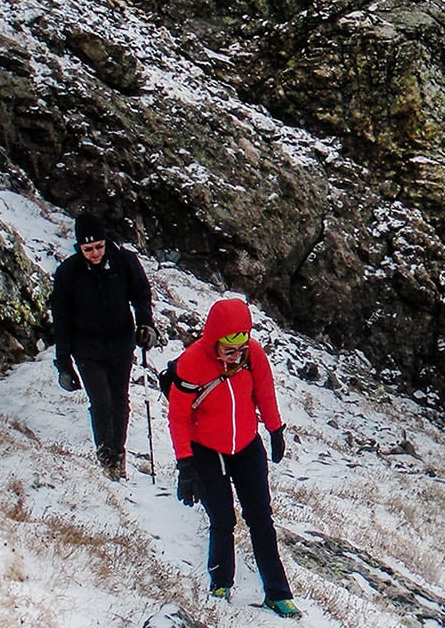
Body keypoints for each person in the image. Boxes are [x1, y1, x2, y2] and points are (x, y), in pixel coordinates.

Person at [168, 297, 300, 619]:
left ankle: (278, 593)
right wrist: (186, 465)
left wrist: (275, 430)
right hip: (206, 450)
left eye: (241, 347)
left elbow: (265, 394)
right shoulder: (192, 363)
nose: (236, 355)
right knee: (223, 519)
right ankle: (221, 583)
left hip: (245, 445)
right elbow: (178, 417)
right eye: (229, 349)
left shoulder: (253, 355)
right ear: (214, 341)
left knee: (260, 518)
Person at [51, 212, 156, 480]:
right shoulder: (68, 273)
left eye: (99, 246)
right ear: (79, 248)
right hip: (86, 349)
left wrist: (145, 324)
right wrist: (63, 364)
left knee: (120, 400)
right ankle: (105, 454)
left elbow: (141, 294)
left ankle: (118, 453)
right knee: (101, 402)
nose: (95, 253)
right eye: (88, 249)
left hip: (121, 344)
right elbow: (61, 320)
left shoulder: (124, 262)